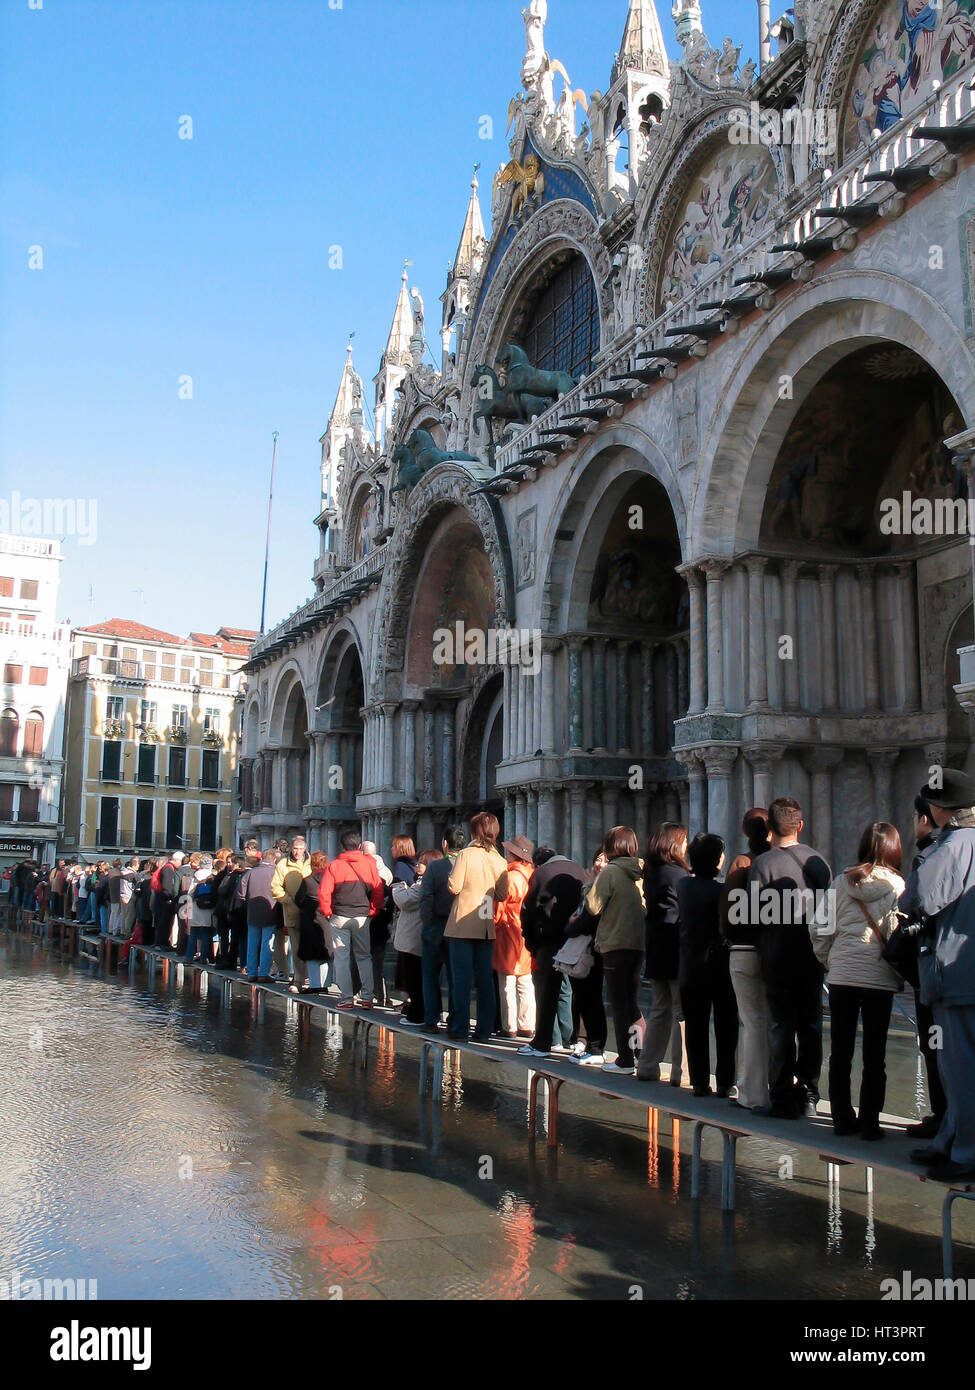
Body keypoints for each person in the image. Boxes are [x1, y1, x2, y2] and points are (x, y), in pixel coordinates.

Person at [901, 770, 975, 1181]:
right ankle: (949, 1139)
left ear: (941, 808)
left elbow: (920, 897)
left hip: (956, 972)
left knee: (959, 1067)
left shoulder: (955, 844)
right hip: (966, 972)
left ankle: (964, 1153)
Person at [815, 823, 904, 1139]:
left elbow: (819, 929)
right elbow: (899, 937)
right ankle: (870, 1123)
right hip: (879, 977)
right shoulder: (898, 887)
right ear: (894, 849)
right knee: (875, 1054)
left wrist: (831, 960)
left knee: (840, 1050)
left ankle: (841, 1118)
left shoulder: (841, 882)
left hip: (843, 976)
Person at [749, 796, 832, 1119]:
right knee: (811, 1024)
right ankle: (810, 1093)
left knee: (780, 1026)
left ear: (769, 827)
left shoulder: (763, 864)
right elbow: (829, 914)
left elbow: (752, 914)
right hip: (812, 956)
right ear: (801, 825)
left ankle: (782, 1096)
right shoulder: (818, 862)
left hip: (776, 954)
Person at [521, 846, 598, 1062]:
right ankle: (577, 1040)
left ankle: (543, 1042)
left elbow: (528, 911)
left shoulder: (540, 874)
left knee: (547, 993)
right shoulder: (580, 871)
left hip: (548, 939)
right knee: (578, 991)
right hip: (576, 939)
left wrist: (530, 941)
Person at [679, 832, 738, 1098]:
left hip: (691, 961)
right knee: (726, 1023)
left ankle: (700, 1082)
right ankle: (725, 1081)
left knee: (696, 1023)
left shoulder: (683, 886)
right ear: (717, 861)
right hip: (720, 961)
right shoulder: (723, 891)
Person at [720, 809, 772, 1110]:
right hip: (777, 949)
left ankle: (752, 1092)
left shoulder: (742, 863)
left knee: (753, 1022)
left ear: (743, 830)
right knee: (777, 1021)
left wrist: (727, 936)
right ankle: (784, 1087)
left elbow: (727, 909)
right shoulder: (782, 861)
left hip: (745, 949)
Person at [584, 826, 646, 1076]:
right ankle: (642, 1053)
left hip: (615, 943)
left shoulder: (611, 872)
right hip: (637, 944)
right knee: (632, 1001)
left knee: (619, 1004)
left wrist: (591, 883)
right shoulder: (640, 871)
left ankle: (625, 1059)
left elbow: (593, 906)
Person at [903, 795, 948, 1139]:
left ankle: (944, 1117)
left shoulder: (931, 854)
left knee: (934, 1044)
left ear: (924, 818)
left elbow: (913, 901)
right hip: (956, 965)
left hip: (934, 964)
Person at [444, 813, 509, 1042]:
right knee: (484, 982)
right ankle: (484, 1031)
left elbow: (454, 886)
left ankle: (460, 1029)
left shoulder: (465, 855)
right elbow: (503, 894)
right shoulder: (500, 860)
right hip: (486, 924)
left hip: (462, 925)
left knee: (461, 980)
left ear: (474, 832)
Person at [637, 824, 688, 1085]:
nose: (686, 846)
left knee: (659, 1009)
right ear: (674, 845)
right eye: (684, 840)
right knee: (682, 1012)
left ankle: (647, 1064)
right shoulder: (678, 875)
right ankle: (682, 1072)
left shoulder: (652, 872)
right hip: (676, 948)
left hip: (656, 947)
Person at [317, 830, 385, 1008]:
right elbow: (378, 890)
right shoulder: (370, 864)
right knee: (364, 956)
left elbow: (324, 892)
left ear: (341, 846)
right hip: (362, 916)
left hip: (339, 915)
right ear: (359, 846)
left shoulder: (334, 866)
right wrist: (373, 910)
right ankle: (367, 997)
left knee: (342, 957)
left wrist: (327, 912)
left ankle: (346, 998)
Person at [418, 826, 465, 1031]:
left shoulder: (436, 867)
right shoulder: (468, 866)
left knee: (430, 974)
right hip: (460, 926)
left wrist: (427, 922)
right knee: (456, 976)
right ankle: (455, 1019)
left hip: (436, 925)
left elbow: (425, 897)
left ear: (445, 844)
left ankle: (431, 1019)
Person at [494, 835, 536, 1039]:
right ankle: (527, 1025)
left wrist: (492, 924)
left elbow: (499, 907)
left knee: (507, 981)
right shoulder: (532, 875)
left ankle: (509, 1026)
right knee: (526, 981)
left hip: (509, 930)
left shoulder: (511, 877)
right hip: (527, 932)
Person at [393, 851, 441, 1024]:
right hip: (417, 935)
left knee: (414, 978)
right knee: (419, 977)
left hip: (413, 937)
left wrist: (398, 887)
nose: (416, 865)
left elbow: (404, 901)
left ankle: (417, 1015)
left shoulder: (422, 884)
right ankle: (429, 1012)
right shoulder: (428, 883)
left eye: (421, 862)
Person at [271, 836, 312, 994]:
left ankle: (310, 978)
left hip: (310, 911)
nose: (297, 852)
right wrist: (288, 900)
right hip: (292, 911)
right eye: (295, 848)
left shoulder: (311, 863)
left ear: (305, 849)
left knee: (310, 945)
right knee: (295, 948)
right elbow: (275, 887)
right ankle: (298, 979)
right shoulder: (283, 864)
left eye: (300, 849)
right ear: (291, 849)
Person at [294, 851, 331, 991]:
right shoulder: (330, 878)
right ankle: (326, 984)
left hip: (310, 919)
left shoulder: (307, 880)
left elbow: (298, 899)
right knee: (326, 952)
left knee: (311, 954)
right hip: (327, 919)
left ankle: (315, 984)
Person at [241, 849, 279, 983]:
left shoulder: (250, 873)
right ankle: (263, 973)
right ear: (274, 859)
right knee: (267, 943)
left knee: (252, 943)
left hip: (252, 912)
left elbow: (241, 893)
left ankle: (251, 973)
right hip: (270, 911)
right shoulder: (276, 873)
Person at [184, 858, 217, 965]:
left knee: (193, 933)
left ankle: (189, 956)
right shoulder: (212, 877)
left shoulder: (195, 876)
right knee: (206, 934)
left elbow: (190, 894)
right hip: (208, 909)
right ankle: (204, 957)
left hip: (196, 907)